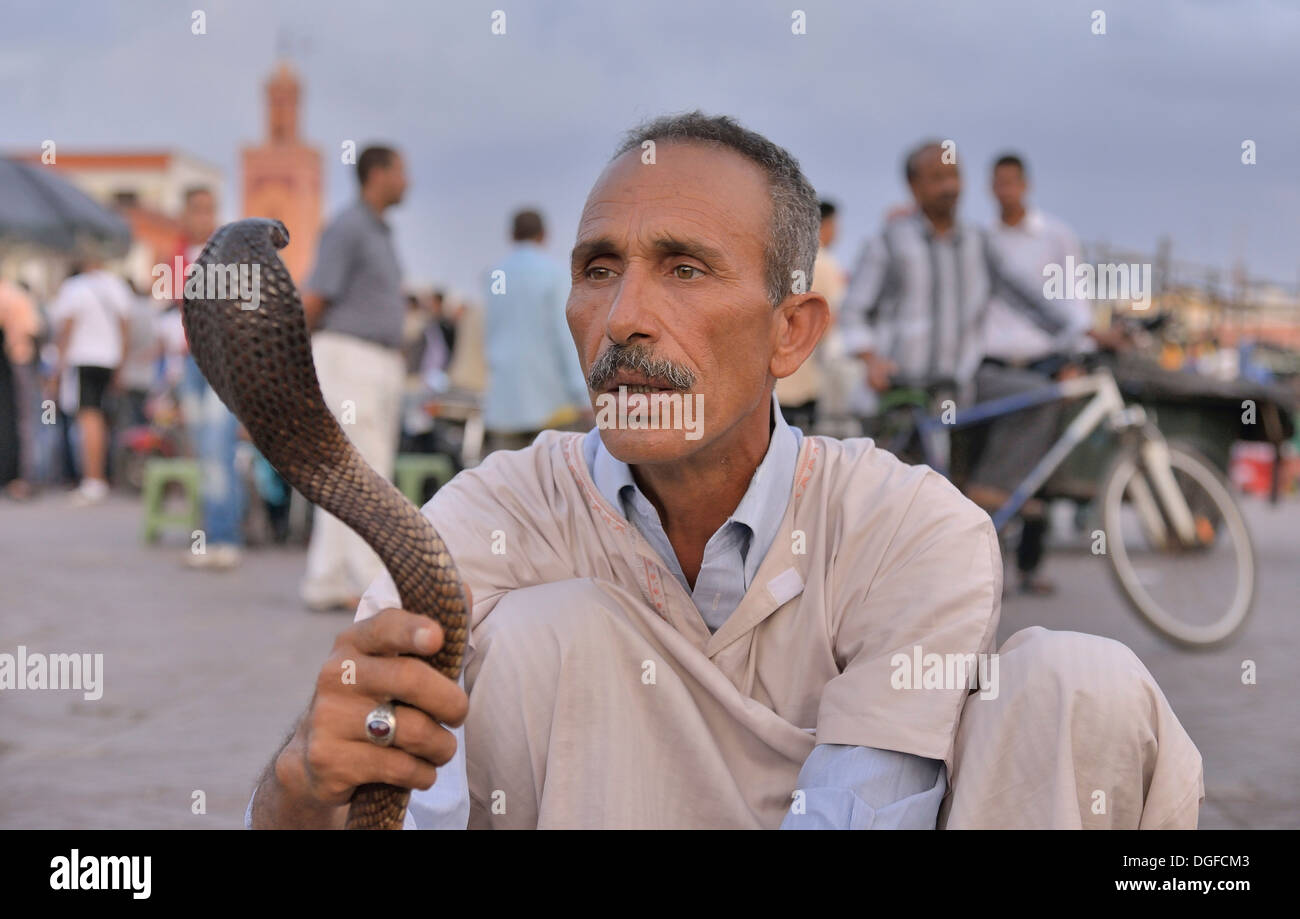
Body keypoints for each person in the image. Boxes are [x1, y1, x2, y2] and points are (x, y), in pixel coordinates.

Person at [249, 114, 1202, 830]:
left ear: (792, 331)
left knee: (1077, 682)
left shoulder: (912, 527)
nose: (624, 314)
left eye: (685, 269)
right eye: (598, 268)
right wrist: (303, 777)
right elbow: (379, 792)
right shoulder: (496, 513)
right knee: (553, 630)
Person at [973, 153, 1102, 593]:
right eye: (998, 183)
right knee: (992, 464)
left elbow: (1074, 298)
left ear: (1025, 185)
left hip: (1044, 362)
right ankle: (990, 569)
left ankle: (1030, 566)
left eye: (1012, 182)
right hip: (990, 364)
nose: (1006, 190)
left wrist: (1076, 356)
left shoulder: (1055, 236)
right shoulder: (981, 240)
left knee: (1036, 470)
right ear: (991, 188)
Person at [298, 145, 410, 611]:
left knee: (346, 472)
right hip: (350, 357)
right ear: (378, 174)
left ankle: (326, 579)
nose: (408, 181)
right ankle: (366, 582)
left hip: (375, 360)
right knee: (364, 473)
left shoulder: (379, 231)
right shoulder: (349, 227)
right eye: (402, 171)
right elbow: (316, 297)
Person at [173, 186, 246, 569]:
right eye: (196, 209)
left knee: (220, 453)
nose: (203, 216)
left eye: (209, 209)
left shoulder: (228, 256)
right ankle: (211, 537)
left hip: (221, 363)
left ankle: (226, 538)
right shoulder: (175, 255)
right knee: (204, 455)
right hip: (190, 363)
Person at [481, 209, 589, 452]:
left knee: (507, 483)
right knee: (554, 483)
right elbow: (565, 334)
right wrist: (582, 392)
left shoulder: (497, 275)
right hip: (550, 402)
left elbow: (493, 329)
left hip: (504, 400)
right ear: (544, 235)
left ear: (511, 235)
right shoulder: (554, 274)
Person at [46, 257, 133, 505]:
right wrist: (121, 365)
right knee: (103, 420)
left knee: (89, 419)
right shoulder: (117, 285)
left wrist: (56, 370)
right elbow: (126, 327)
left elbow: (67, 329)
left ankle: (93, 481)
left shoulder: (74, 287)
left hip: (84, 359)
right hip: (109, 360)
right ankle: (101, 476)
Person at [774, 200, 846, 432]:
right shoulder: (824, 263)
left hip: (772, 378)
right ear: (824, 225)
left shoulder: (781, 259)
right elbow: (832, 319)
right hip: (805, 378)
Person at [0, 279, 42, 499]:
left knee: (26, 420)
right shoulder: (16, 294)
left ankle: (23, 477)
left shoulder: (8, 295)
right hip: (18, 363)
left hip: (17, 362)